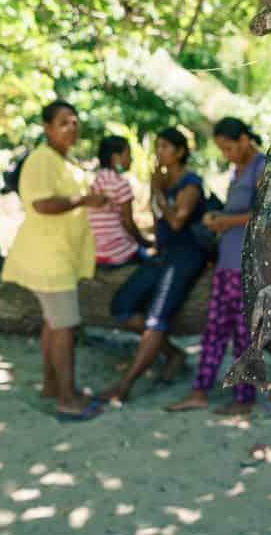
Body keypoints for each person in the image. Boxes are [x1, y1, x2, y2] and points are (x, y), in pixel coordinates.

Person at [1, 100, 108, 421]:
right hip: (48, 257)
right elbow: (42, 205)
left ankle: (52, 386)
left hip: (60, 255)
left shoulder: (66, 161)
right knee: (64, 327)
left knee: (54, 323)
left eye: (74, 122)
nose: (71, 127)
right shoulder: (41, 159)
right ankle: (67, 397)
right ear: (47, 128)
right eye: (63, 122)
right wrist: (85, 200)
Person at [101, 128, 209, 403]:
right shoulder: (160, 180)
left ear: (180, 152)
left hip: (187, 256)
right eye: (157, 146)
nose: (158, 152)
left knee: (155, 319)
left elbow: (175, 221)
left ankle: (124, 386)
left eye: (165, 147)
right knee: (121, 307)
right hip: (163, 254)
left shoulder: (191, 183)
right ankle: (173, 354)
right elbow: (158, 221)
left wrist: (157, 189)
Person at [167, 118, 265, 415]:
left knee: (243, 336)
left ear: (246, 139)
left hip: (249, 266)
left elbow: (267, 213)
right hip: (227, 263)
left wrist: (226, 222)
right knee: (214, 332)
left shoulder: (263, 167)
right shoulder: (238, 171)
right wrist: (219, 219)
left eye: (229, 147)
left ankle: (243, 399)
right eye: (222, 150)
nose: (227, 154)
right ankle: (200, 391)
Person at [88, 135, 152, 267]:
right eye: (128, 155)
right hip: (115, 252)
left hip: (96, 252)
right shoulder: (120, 184)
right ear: (116, 158)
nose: (132, 159)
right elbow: (128, 223)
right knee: (151, 263)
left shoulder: (97, 180)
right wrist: (144, 242)